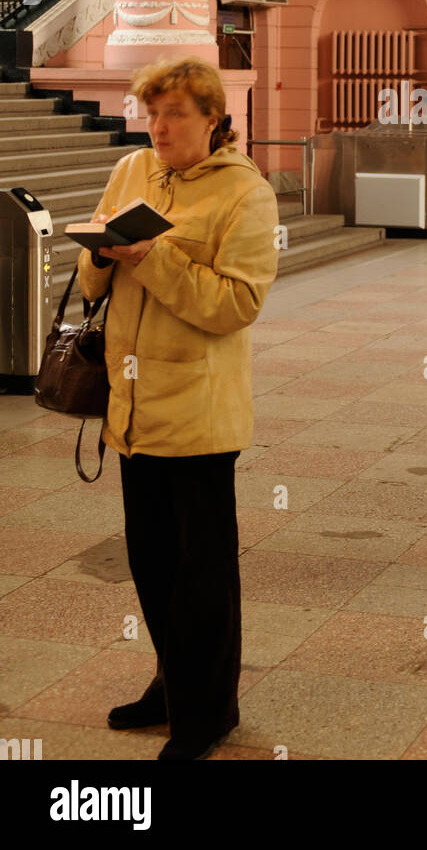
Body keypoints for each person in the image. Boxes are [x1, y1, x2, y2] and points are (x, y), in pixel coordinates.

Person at [77, 57, 279, 760]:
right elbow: (91, 285)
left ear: (213, 119)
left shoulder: (245, 193)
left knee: (202, 575)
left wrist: (152, 257)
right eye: (151, 114)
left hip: (198, 414)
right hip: (132, 409)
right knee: (152, 563)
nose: (157, 128)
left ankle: (208, 712)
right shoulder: (132, 170)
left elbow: (236, 304)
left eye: (174, 115)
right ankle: (171, 685)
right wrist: (102, 252)